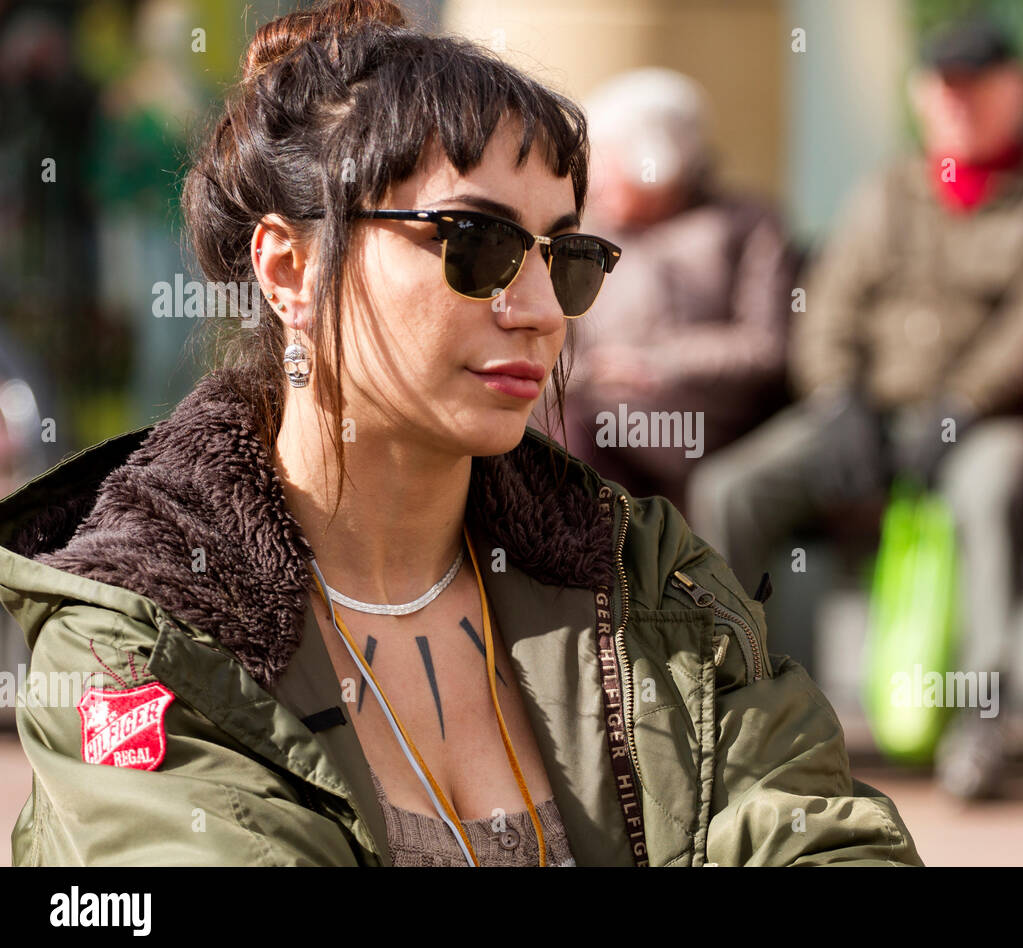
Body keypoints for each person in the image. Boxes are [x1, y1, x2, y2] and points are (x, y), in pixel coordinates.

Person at [0, 0, 921, 867]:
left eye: (565, 257)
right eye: (473, 243)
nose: (537, 312)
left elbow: (820, 837)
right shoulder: (141, 632)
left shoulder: (642, 579)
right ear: (289, 268)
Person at [687, 14, 1023, 801]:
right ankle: (733, 714)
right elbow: (830, 305)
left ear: (1020, 91)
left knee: (992, 491)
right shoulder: (890, 187)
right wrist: (837, 397)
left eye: (976, 88)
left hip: (988, 420)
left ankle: (978, 728)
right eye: (943, 90)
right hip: (866, 412)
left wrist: (963, 406)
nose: (958, 105)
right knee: (731, 490)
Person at [552, 68, 799, 514]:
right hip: (600, 409)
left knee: (579, 434)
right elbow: (560, 337)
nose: (596, 180)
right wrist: (591, 371)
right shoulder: (594, 232)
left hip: (698, 424)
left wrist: (657, 362)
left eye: (608, 161)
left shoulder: (747, 225)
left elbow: (765, 345)